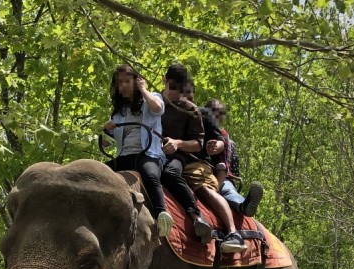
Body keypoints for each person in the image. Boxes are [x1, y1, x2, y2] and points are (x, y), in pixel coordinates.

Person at [163, 72, 246, 253]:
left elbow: (221, 140)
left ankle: (233, 233)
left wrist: (215, 146)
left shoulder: (201, 114)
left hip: (196, 165)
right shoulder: (164, 110)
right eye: (182, 91)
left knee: (204, 189)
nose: (185, 96)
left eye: (189, 93)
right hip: (169, 161)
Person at [102, 64, 173, 239]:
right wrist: (106, 130)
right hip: (124, 156)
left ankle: (161, 213)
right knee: (98, 172)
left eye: (127, 81)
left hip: (148, 154)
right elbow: (105, 143)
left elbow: (158, 108)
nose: (123, 86)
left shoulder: (153, 98)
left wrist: (143, 89)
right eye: (119, 83)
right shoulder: (118, 112)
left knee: (150, 174)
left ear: (136, 81)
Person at [181, 85, 263, 218]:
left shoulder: (223, 136)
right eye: (212, 112)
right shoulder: (198, 127)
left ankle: (243, 206)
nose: (215, 116)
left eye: (218, 114)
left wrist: (216, 187)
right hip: (205, 172)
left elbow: (223, 166)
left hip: (222, 177)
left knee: (228, 191)